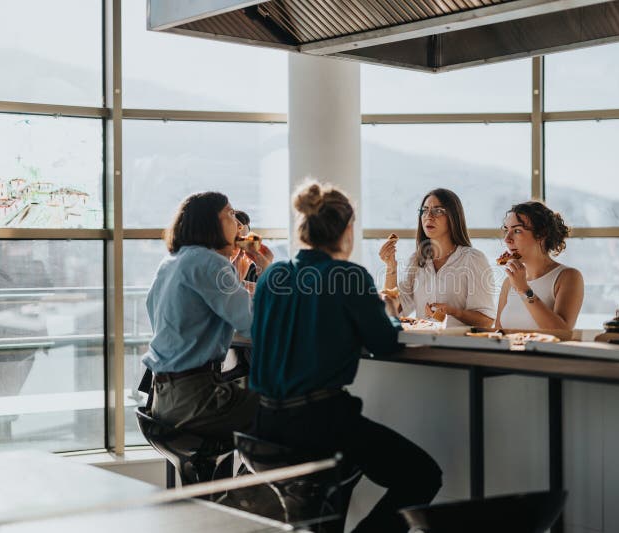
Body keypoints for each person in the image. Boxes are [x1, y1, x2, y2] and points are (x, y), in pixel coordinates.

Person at [250, 180, 442, 533]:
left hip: (264, 425)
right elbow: (384, 343)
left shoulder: (272, 275)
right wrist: (385, 311)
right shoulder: (348, 276)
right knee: (422, 475)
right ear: (347, 229)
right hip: (319, 425)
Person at [141, 191, 272, 438]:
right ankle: (263, 474)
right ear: (210, 223)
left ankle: (250, 472)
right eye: (231, 214)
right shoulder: (212, 263)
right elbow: (254, 325)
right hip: (196, 400)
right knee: (291, 405)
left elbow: (154, 309)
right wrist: (267, 271)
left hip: (162, 396)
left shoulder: (172, 261)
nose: (240, 225)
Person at [378, 188, 495, 327]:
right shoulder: (416, 260)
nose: (429, 216)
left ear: (453, 216)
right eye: (425, 210)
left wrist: (454, 312)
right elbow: (393, 309)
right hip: (421, 345)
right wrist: (391, 267)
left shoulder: (473, 259)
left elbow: (487, 320)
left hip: (458, 346)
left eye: (438, 210)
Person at [495, 201, 584, 330]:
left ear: (541, 234)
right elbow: (499, 332)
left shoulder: (568, 277)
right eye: (507, 230)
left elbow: (562, 333)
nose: (507, 239)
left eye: (517, 230)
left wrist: (524, 290)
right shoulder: (509, 282)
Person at [233, 210, 260, 283]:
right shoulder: (216, 266)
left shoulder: (251, 269)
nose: (242, 248)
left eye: (244, 240)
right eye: (236, 240)